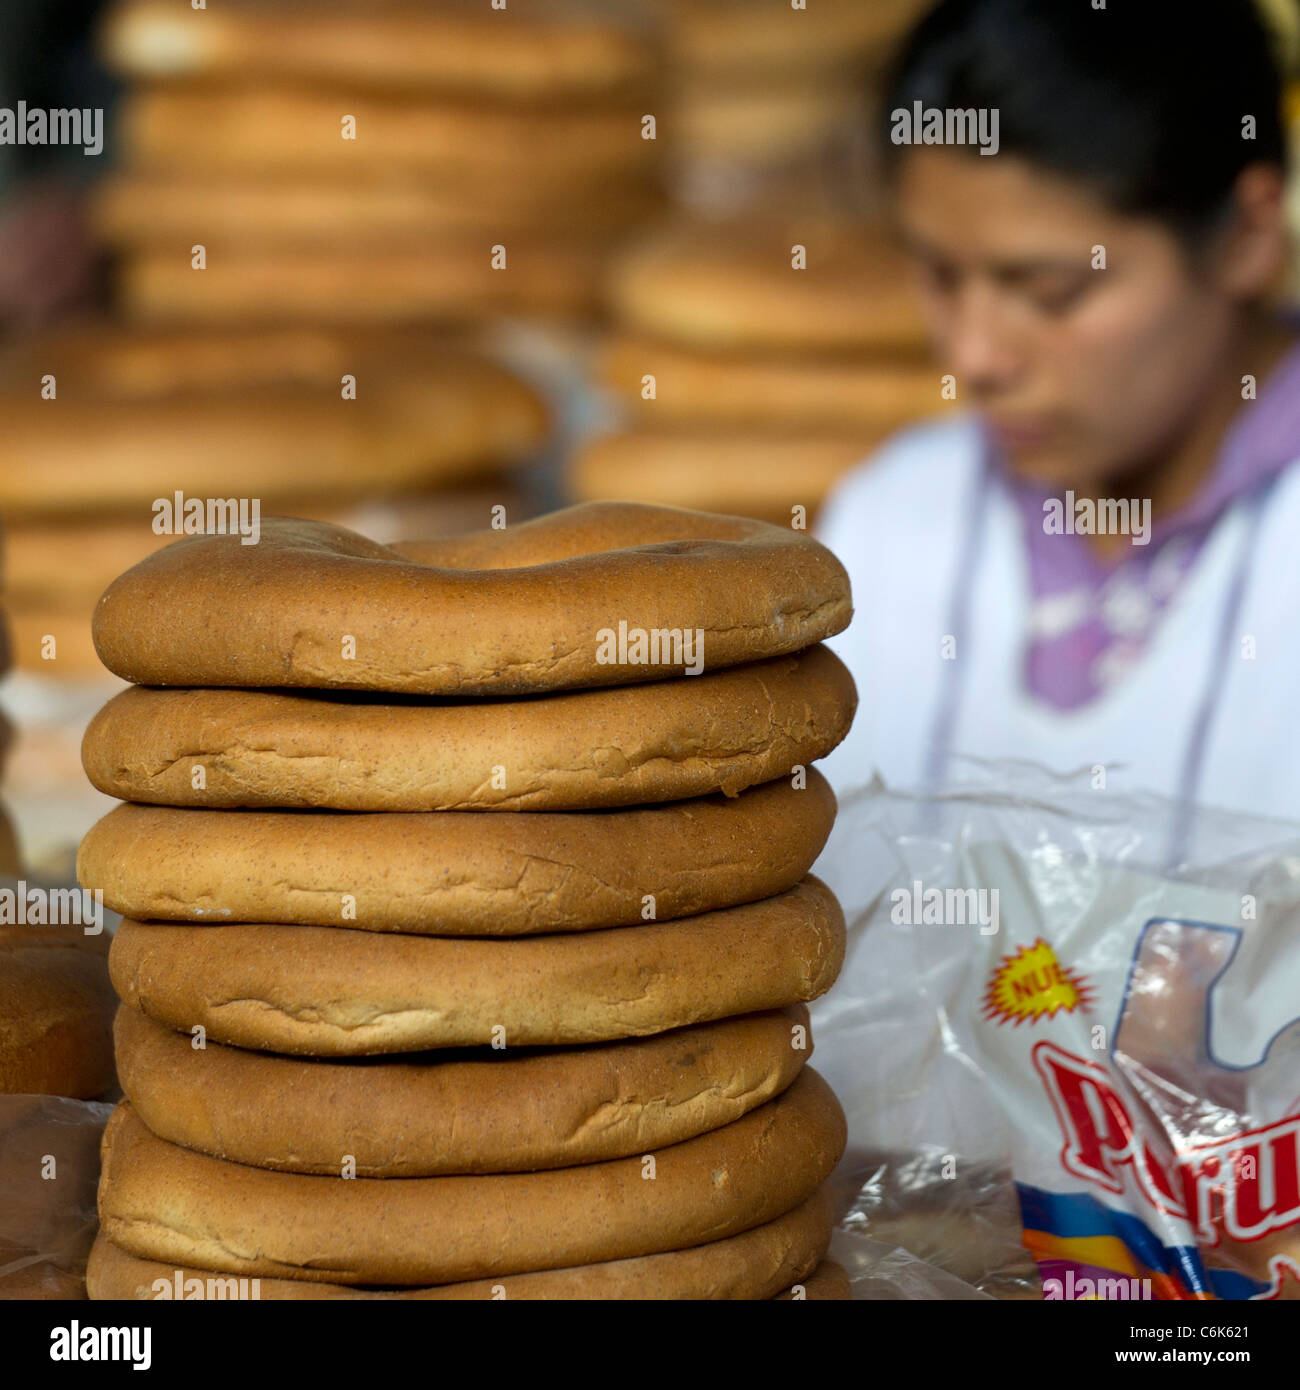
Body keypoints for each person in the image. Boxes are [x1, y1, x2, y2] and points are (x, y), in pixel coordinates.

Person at [817, 0, 1300, 825]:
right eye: (939, 276)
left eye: (1051, 292)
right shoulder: (886, 523)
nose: (974, 355)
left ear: (1248, 236)